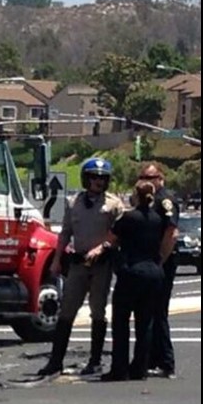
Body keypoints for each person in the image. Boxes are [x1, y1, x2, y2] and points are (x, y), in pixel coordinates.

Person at [37, 157, 127, 376]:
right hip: (77, 263)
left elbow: (120, 234)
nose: (98, 181)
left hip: (101, 264)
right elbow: (65, 233)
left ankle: (94, 361)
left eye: (102, 178)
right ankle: (55, 361)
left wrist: (103, 247)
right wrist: (57, 260)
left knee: (98, 311)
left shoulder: (114, 204)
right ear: (86, 179)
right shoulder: (73, 202)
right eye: (94, 177)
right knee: (67, 311)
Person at [100, 179, 177, 381]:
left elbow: (111, 238)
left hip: (131, 271)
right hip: (153, 272)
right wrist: (159, 260)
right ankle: (140, 368)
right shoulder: (157, 219)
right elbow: (168, 237)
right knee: (146, 323)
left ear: (135, 195)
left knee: (121, 321)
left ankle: (120, 368)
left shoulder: (128, 218)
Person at [140, 163, 181, 378]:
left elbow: (171, 233)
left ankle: (166, 361)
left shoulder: (165, 200)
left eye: (150, 177)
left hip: (162, 262)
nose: (146, 180)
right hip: (152, 261)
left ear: (160, 178)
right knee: (151, 311)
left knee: (158, 311)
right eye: (143, 177)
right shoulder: (150, 199)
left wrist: (160, 261)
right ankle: (153, 358)